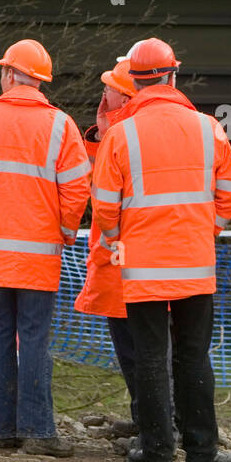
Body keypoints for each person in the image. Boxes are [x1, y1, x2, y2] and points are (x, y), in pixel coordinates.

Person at [92, 37, 231, 462]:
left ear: (135, 82)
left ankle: (156, 449)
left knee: (150, 355)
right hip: (194, 265)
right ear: (173, 75)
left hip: (140, 268)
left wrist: (123, 236)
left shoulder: (121, 134)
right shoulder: (208, 127)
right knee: (193, 355)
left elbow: (103, 206)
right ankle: (202, 450)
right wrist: (204, 228)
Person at [0, 39, 90, 456]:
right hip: (38, 258)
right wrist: (65, 231)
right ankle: (38, 431)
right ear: (40, 81)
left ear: (11, 75)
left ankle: (4, 430)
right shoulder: (62, 126)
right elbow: (77, 190)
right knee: (33, 340)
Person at [75, 57, 143, 438]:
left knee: (140, 349)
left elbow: (101, 197)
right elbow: (92, 180)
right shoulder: (114, 132)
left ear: (127, 94)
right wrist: (99, 133)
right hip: (126, 260)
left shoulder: (125, 133)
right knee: (137, 348)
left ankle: (155, 422)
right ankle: (151, 417)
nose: (104, 92)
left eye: (110, 86)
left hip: (125, 261)